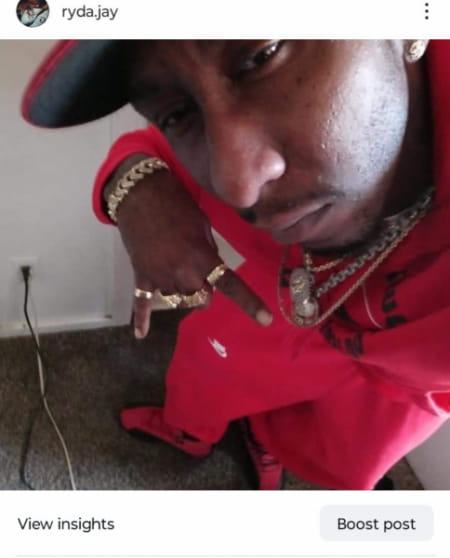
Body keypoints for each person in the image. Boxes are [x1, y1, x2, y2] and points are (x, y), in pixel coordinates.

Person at [22, 40, 450, 490]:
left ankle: (262, 440)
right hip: (271, 305)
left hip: (397, 382)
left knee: (344, 460)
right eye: (178, 114)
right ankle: (190, 431)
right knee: (207, 372)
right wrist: (134, 189)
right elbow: (146, 147)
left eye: (261, 56)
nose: (239, 186)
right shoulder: (262, 161)